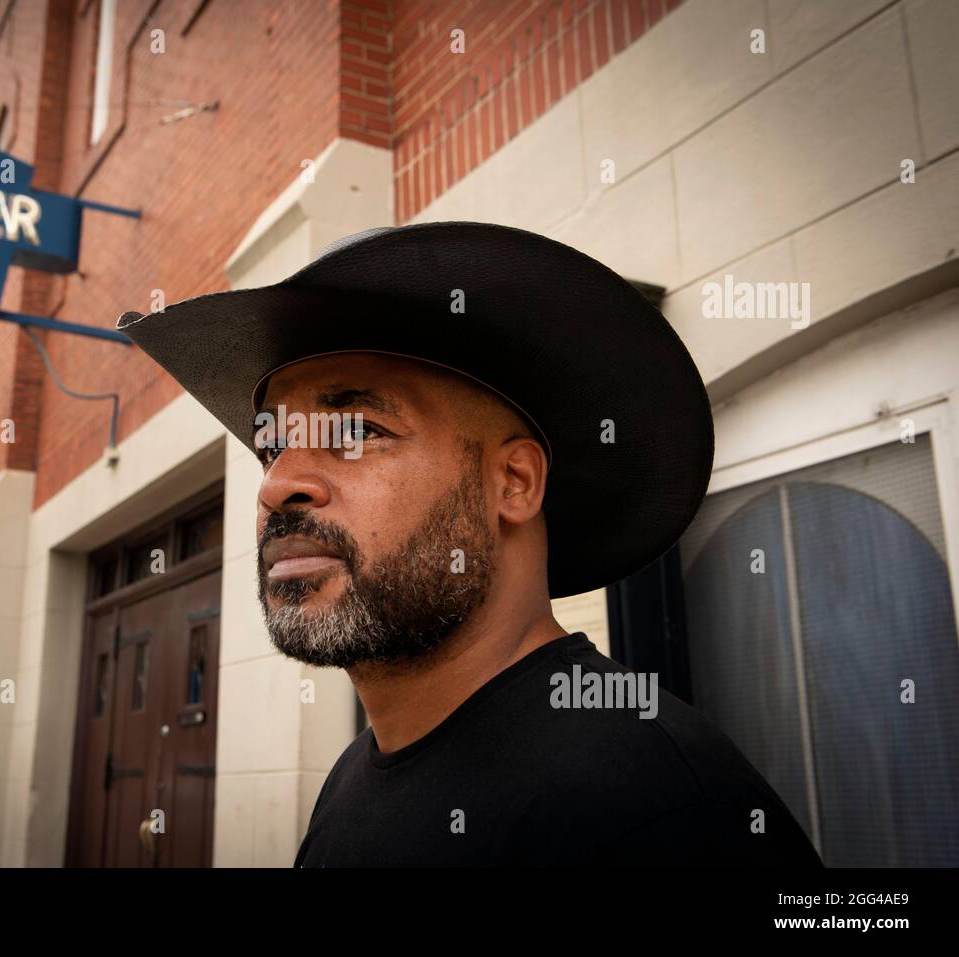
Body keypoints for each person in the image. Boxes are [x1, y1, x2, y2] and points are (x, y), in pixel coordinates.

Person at [117, 221, 824, 867]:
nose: (277, 485)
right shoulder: (351, 781)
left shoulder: (654, 808)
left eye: (357, 430)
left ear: (513, 483)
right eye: (271, 444)